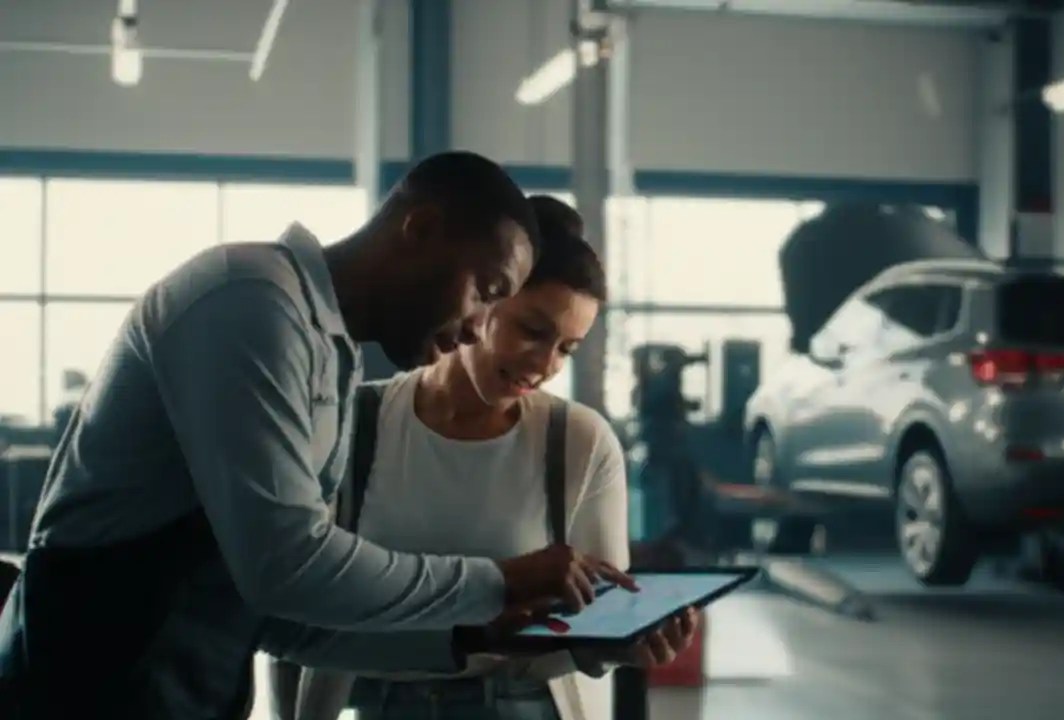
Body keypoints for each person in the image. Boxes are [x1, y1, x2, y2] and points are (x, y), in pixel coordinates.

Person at [0, 153, 631, 718]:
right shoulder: (248, 301)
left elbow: (282, 613)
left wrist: (466, 635)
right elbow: (289, 566)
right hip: (82, 684)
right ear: (421, 230)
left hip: (187, 687)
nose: (474, 329)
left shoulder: (332, 358)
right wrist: (498, 581)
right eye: (484, 294)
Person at [276, 196, 700, 720]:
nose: (544, 365)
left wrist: (627, 643)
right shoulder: (354, 419)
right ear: (481, 301)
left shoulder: (579, 441)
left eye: (567, 348)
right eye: (532, 330)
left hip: (521, 706)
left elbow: (597, 626)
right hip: (371, 703)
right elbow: (295, 593)